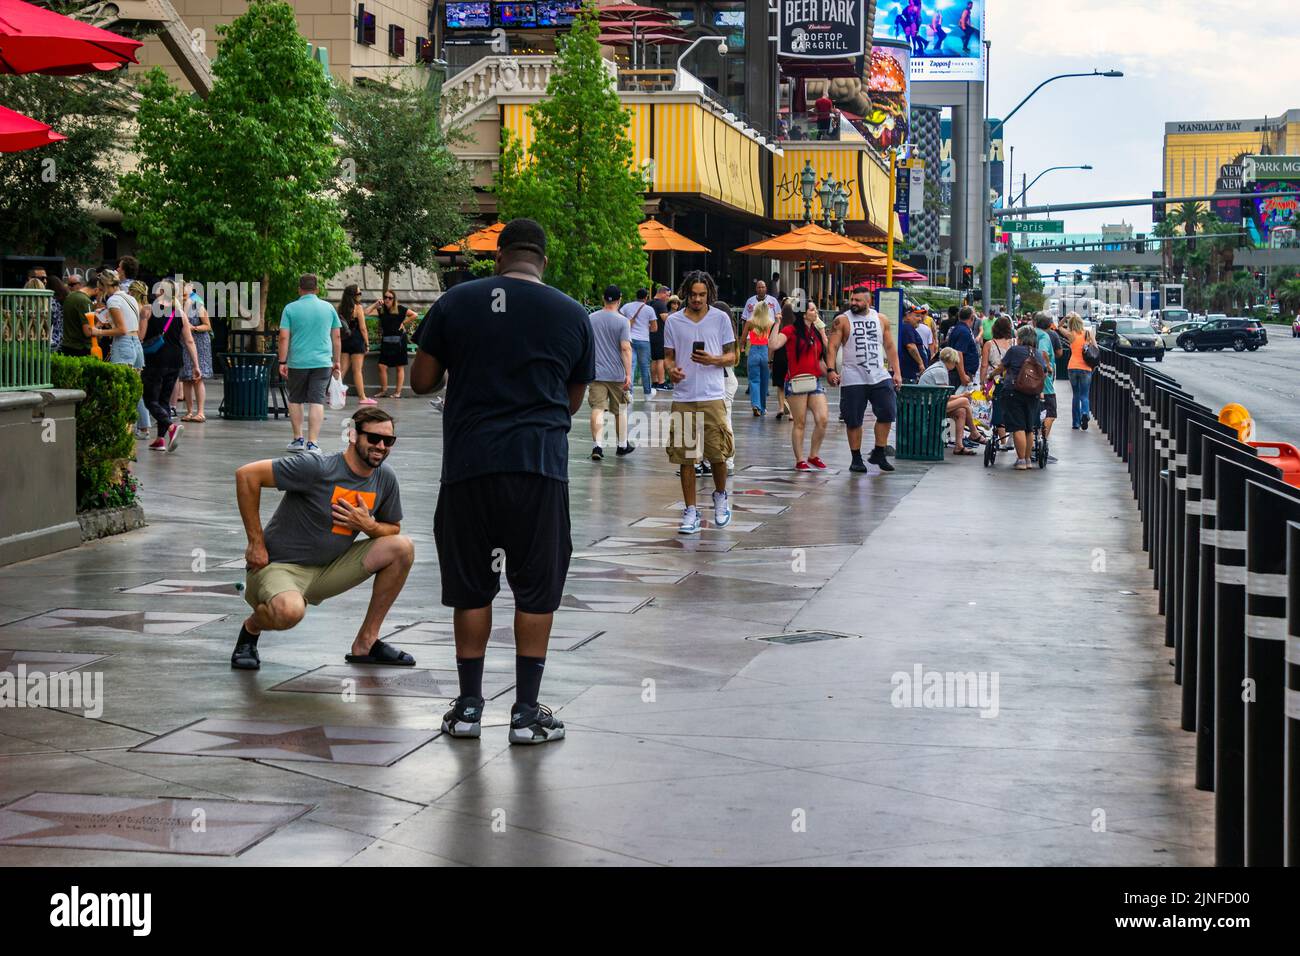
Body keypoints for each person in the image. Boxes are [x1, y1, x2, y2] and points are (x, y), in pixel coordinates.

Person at [411, 218, 594, 746]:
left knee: (473, 585)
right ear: (543, 259)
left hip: (470, 467)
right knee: (536, 589)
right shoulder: (571, 313)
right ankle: (526, 712)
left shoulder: (457, 301)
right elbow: (573, 400)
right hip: (539, 467)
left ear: (498, 256)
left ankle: (468, 708)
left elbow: (422, 381)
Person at [232, 406, 414, 670]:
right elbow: (247, 475)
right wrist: (255, 542)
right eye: (373, 438)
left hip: (330, 569)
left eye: (389, 441)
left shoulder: (385, 478)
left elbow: (392, 528)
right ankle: (251, 629)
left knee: (403, 548)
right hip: (279, 567)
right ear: (353, 436)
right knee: (289, 612)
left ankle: (366, 642)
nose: (381, 446)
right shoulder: (317, 467)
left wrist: (368, 525)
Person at [662, 271, 735, 533]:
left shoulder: (721, 318)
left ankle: (720, 496)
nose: (696, 299)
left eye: (701, 295)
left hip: (712, 395)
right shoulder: (674, 322)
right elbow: (668, 356)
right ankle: (690, 510)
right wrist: (671, 370)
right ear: (685, 293)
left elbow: (733, 356)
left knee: (718, 455)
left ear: (709, 294)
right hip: (683, 396)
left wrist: (713, 360)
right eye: (693, 294)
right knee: (686, 457)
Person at [827, 290, 901, 473]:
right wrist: (830, 370)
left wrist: (897, 372)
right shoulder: (842, 320)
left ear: (868, 301)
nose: (853, 302)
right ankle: (856, 458)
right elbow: (832, 346)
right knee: (853, 420)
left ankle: (879, 452)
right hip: (853, 377)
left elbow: (890, 346)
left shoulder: (881, 319)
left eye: (858, 300)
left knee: (888, 412)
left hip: (879, 375)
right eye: (852, 299)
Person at [279, 274, 343, 455]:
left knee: (296, 399)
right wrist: (336, 361)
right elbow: (337, 336)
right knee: (317, 400)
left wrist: (282, 361)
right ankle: (312, 443)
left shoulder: (290, 309)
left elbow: (284, 337)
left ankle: (298, 439)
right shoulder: (328, 308)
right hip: (322, 362)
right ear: (317, 289)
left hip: (298, 362)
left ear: (299, 289)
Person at [140, 279, 201, 453]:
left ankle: (170, 426)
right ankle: (160, 440)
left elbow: (140, 336)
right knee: (164, 400)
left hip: (155, 360)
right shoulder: (180, 313)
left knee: (149, 399)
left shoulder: (148, 309)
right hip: (175, 360)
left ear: (160, 291)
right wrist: (196, 365)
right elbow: (189, 340)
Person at [770, 301, 831, 471]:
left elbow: (819, 361)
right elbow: (773, 345)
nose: (816, 311)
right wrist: (776, 323)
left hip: (814, 381)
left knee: (823, 419)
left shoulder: (815, 333)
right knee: (800, 422)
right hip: (796, 382)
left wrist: (831, 373)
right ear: (804, 314)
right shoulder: (790, 330)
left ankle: (813, 455)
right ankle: (800, 459)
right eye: (812, 309)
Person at [95, 269, 151, 438]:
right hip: (136, 345)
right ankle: (143, 427)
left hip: (124, 344)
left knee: (119, 387)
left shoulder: (113, 301)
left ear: (104, 285)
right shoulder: (131, 298)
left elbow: (121, 329)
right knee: (135, 388)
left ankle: (121, 428)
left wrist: (97, 332)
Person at [587, 284, 634, 460]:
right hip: (616, 374)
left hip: (596, 372)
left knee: (597, 408)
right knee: (620, 410)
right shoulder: (623, 321)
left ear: (603, 299)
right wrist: (628, 374)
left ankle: (597, 446)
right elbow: (625, 348)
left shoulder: (591, 318)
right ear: (619, 300)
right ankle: (622, 445)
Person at [992, 325, 1044, 471]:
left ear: (1020, 338)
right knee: (1029, 428)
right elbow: (1044, 371)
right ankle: (1027, 460)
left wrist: (990, 376)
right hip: (1033, 394)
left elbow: (1001, 367)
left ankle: (1020, 460)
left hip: (1014, 392)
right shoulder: (1037, 353)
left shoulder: (1014, 351)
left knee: (1018, 427)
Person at [920, 349, 978, 456]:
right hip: (929, 406)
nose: (955, 365)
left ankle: (959, 446)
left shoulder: (938, 367)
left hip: (930, 404)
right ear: (951, 361)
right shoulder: (941, 371)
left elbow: (941, 396)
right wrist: (962, 396)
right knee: (965, 401)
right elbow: (943, 397)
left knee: (961, 411)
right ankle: (974, 433)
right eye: (955, 363)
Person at [368, 290, 419, 398]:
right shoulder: (381, 310)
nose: (387, 299)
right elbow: (366, 312)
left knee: (399, 367)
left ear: (394, 299)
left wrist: (403, 323)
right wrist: (375, 304)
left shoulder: (400, 309)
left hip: (399, 340)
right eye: (385, 297)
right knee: (382, 366)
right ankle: (384, 390)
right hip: (386, 341)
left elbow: (415, 315)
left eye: (390, 298)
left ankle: (397, 392)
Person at [979, 315, 1016, 452]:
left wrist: (982, 382)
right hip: (1012, 381)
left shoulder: (989, 344)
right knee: (1012, 408)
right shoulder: (1014, 342)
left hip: (995, 381)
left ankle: (1002, 441)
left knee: (998, 407)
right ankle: (1011, 438)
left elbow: (983, 365)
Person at [178, 283, 212, 422]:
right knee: (186, 378)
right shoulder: (177, 308)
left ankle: (201, 412)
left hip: (199, 343)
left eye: (184, 294)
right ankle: (190, 411)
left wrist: (194, 328)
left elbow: (208, 326)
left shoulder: (197, 305)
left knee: (198, 378)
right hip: (184, 344)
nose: (183, 297)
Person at [337, 284, 374, 406]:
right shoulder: (357, 308)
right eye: (358, 293)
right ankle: (362, 397)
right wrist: (367, 344)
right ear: (353, 295)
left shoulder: (340, 308)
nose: (360, 295)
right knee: (357, 370)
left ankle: (334, 394)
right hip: (357, 341)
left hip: (345, 340)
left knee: (342, 369)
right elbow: (363, 328)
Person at [620, 288, 656, 400]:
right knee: (645, 367)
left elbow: (620, 318)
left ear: (636, 296)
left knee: (631, 366)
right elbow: (654, 328)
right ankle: (647, 394)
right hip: (644, 340)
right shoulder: (649, 309)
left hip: (629, 339)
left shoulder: (627, 306)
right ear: (646, 297)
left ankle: (629, 393)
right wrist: (646, 327)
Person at [1034, 312, 1060, 459]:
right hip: (1045, 384)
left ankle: (1034, 444)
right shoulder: (1044, 336)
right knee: (1050, 414)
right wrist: (1048, 366)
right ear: (1050, 325)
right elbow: (1043, 352)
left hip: (1030, 381)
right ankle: (1041, 444)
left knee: (1035, 414)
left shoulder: (1031, 333)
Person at [742, 300, 774, 416]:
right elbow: (773, 340)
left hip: (754, 351)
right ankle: (763, 408)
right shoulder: (770, 323)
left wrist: (741, 347)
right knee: (764, 382)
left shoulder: (750, 322)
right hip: (766, 351)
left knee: (754, 380)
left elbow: (743, 338)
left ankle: (756, 405)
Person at [1065, 313, 1096, 430]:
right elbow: (1096, 348)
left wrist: (1065, 318)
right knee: (1084, 395)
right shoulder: (1088, 334)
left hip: (1072, 367)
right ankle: (1085, 413)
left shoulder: (1071, 335)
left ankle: (1076, 423)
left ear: (1071, 324)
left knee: (1076, 395)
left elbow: (1058, 327)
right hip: (1086, 368)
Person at [59, 272, 94, 358]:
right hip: (80, 347)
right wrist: (99, 324)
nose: (69, 287)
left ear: (81, 284)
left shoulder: (69, 298)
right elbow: (88, 332)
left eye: (72, 284)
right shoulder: (84, 300)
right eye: (68, 285)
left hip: (68, 345)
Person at [947, 305, 981, 388]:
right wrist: (963, 376)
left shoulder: (958, 329)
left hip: (959, 372)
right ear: (972, 318)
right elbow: (958, 353)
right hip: (961, 374)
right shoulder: (964, 332)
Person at [897, 303, 928, 384]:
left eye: (921, 316)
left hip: (910, 375)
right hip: (908, 375)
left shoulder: (908, 327)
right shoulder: (907, 327)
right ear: (907, 315)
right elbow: (911, 346)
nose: (920, 319)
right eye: (917, 316)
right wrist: (921, 363)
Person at [650, 284, 671, 391]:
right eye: (667, 295)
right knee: (660, 359)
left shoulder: (650, 303)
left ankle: (654, 382)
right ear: (662, 293)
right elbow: (667, 320)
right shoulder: (661, 305)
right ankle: (661, 383)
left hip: (650, 335)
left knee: (654, 359)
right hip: (659, 335)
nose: (668, 298)